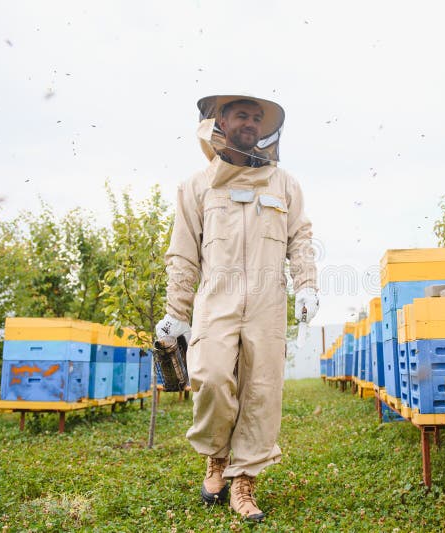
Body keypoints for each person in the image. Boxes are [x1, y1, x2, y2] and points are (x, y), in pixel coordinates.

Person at [155, 94, 319, 522]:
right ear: (221, 121)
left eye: (256, 118)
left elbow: (300, 237)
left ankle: (244, 482)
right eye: (241, 115)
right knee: (208, 377)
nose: (250, 123)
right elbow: (183, 252)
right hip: (216, 299)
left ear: (265, 129)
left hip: (267, 303)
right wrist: (177, 310)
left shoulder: (285, 184)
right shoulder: (197, 185)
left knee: (261, 391)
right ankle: (216, 456)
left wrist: (306, 287)